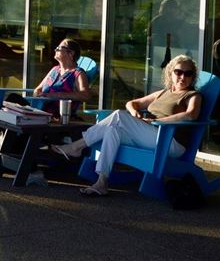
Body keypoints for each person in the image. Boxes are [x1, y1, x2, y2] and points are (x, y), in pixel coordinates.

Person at [51, 54, 203, 197]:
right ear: (171, 73)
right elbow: (132, 103)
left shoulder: (193, 95)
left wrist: (159, 121)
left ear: (193, 77)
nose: (182, 77)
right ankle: (102, 181)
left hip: (170, 142)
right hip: (151, 136)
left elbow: (191, 114)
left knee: (119, 116)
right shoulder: (162, 93)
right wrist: (134, 112)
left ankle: (77, 146)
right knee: (112, 130)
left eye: (188, 73)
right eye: (178, 72)